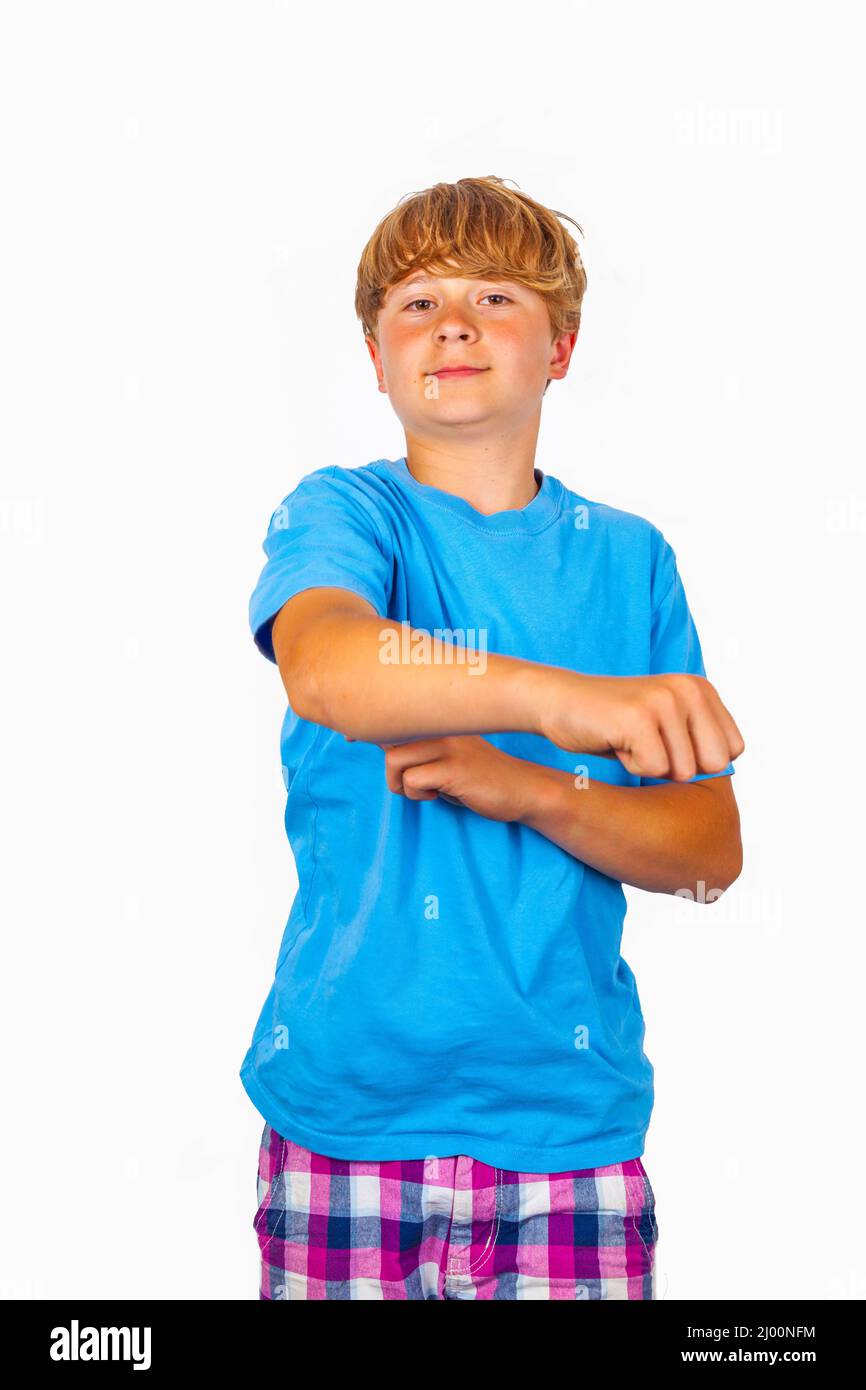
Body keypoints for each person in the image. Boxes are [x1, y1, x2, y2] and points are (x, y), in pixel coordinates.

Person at [242, 175, 745, 1300]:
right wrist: (571, 702)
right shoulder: (342, 515)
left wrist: (535, 790)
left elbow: (706, 853)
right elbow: (327, 666)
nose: (452, 322)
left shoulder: (630, 559)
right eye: (415, 303)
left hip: (566, 1133)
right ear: (375, 358)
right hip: (344, 1118)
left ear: (560, 348)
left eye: (494, 297)